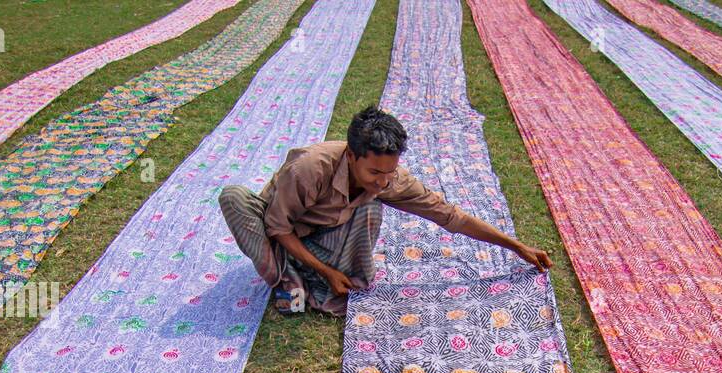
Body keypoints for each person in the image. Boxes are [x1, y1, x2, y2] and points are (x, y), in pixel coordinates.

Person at [219, 105, 552, 315]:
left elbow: (451, 216)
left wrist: (516, 246)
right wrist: (328, 271)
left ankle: (315, 281)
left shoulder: (390, 180)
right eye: (374, 173)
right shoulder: (309, 168)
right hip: (280, 235)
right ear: (351, 156)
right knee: (234, 198)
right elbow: (278, 227)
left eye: (389, 172)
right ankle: (289, 278)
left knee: (370, 210)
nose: (382, 181)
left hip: (320, 240)